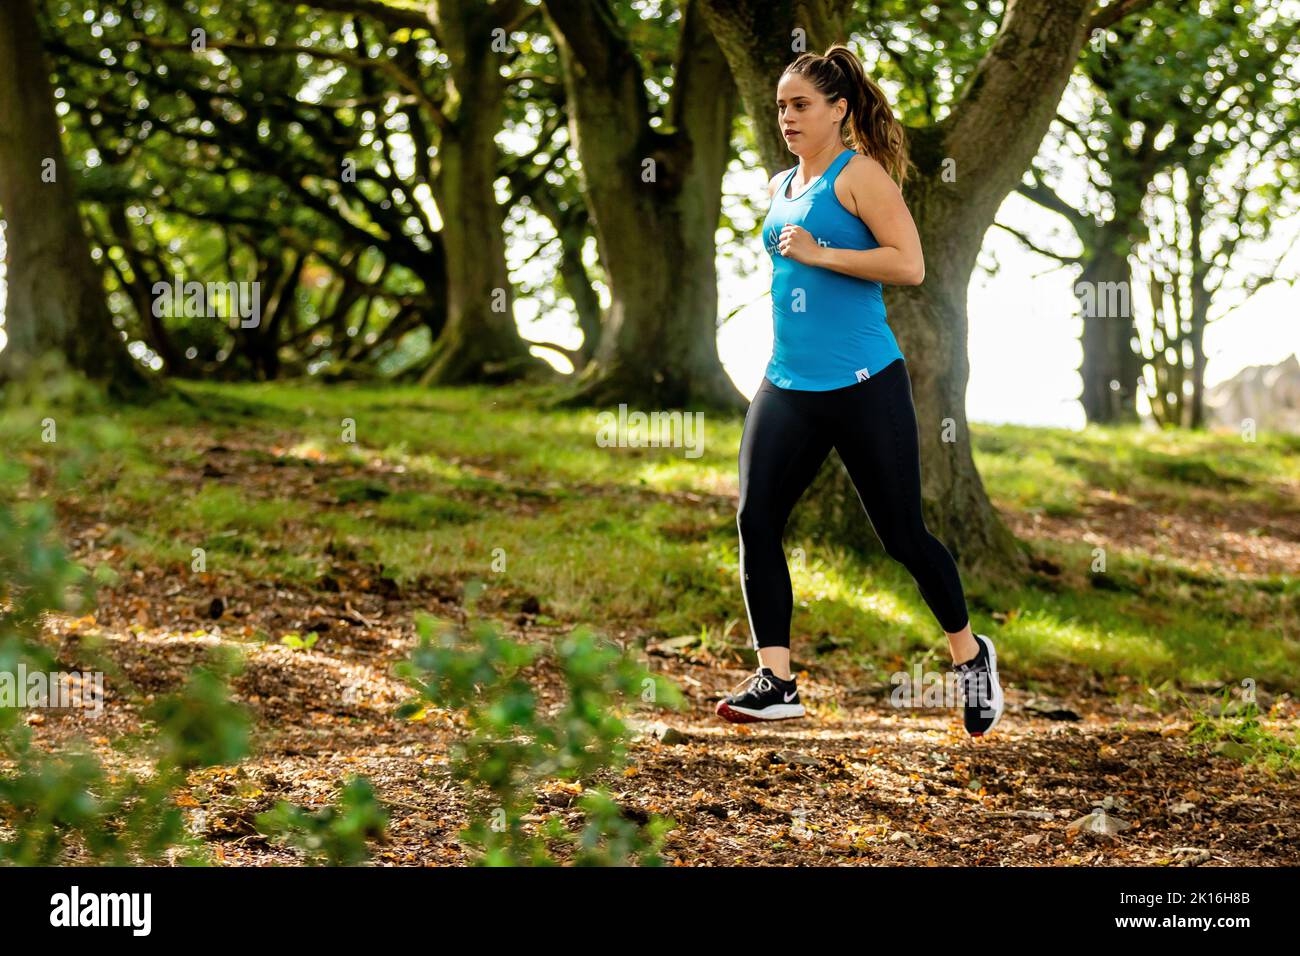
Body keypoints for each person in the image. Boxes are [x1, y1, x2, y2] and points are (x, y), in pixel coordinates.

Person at [716, 45, 1004, 736]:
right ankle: (777, 679)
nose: (786, 115)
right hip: (787, 381)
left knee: (903, 535)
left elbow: (909, 264)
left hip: (864, 383)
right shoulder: (783, 183)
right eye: (782, 105)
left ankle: (970, 657)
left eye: (801, 105)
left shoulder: (861, 175)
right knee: (756, 520)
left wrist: (821, 254)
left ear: (839, 109)